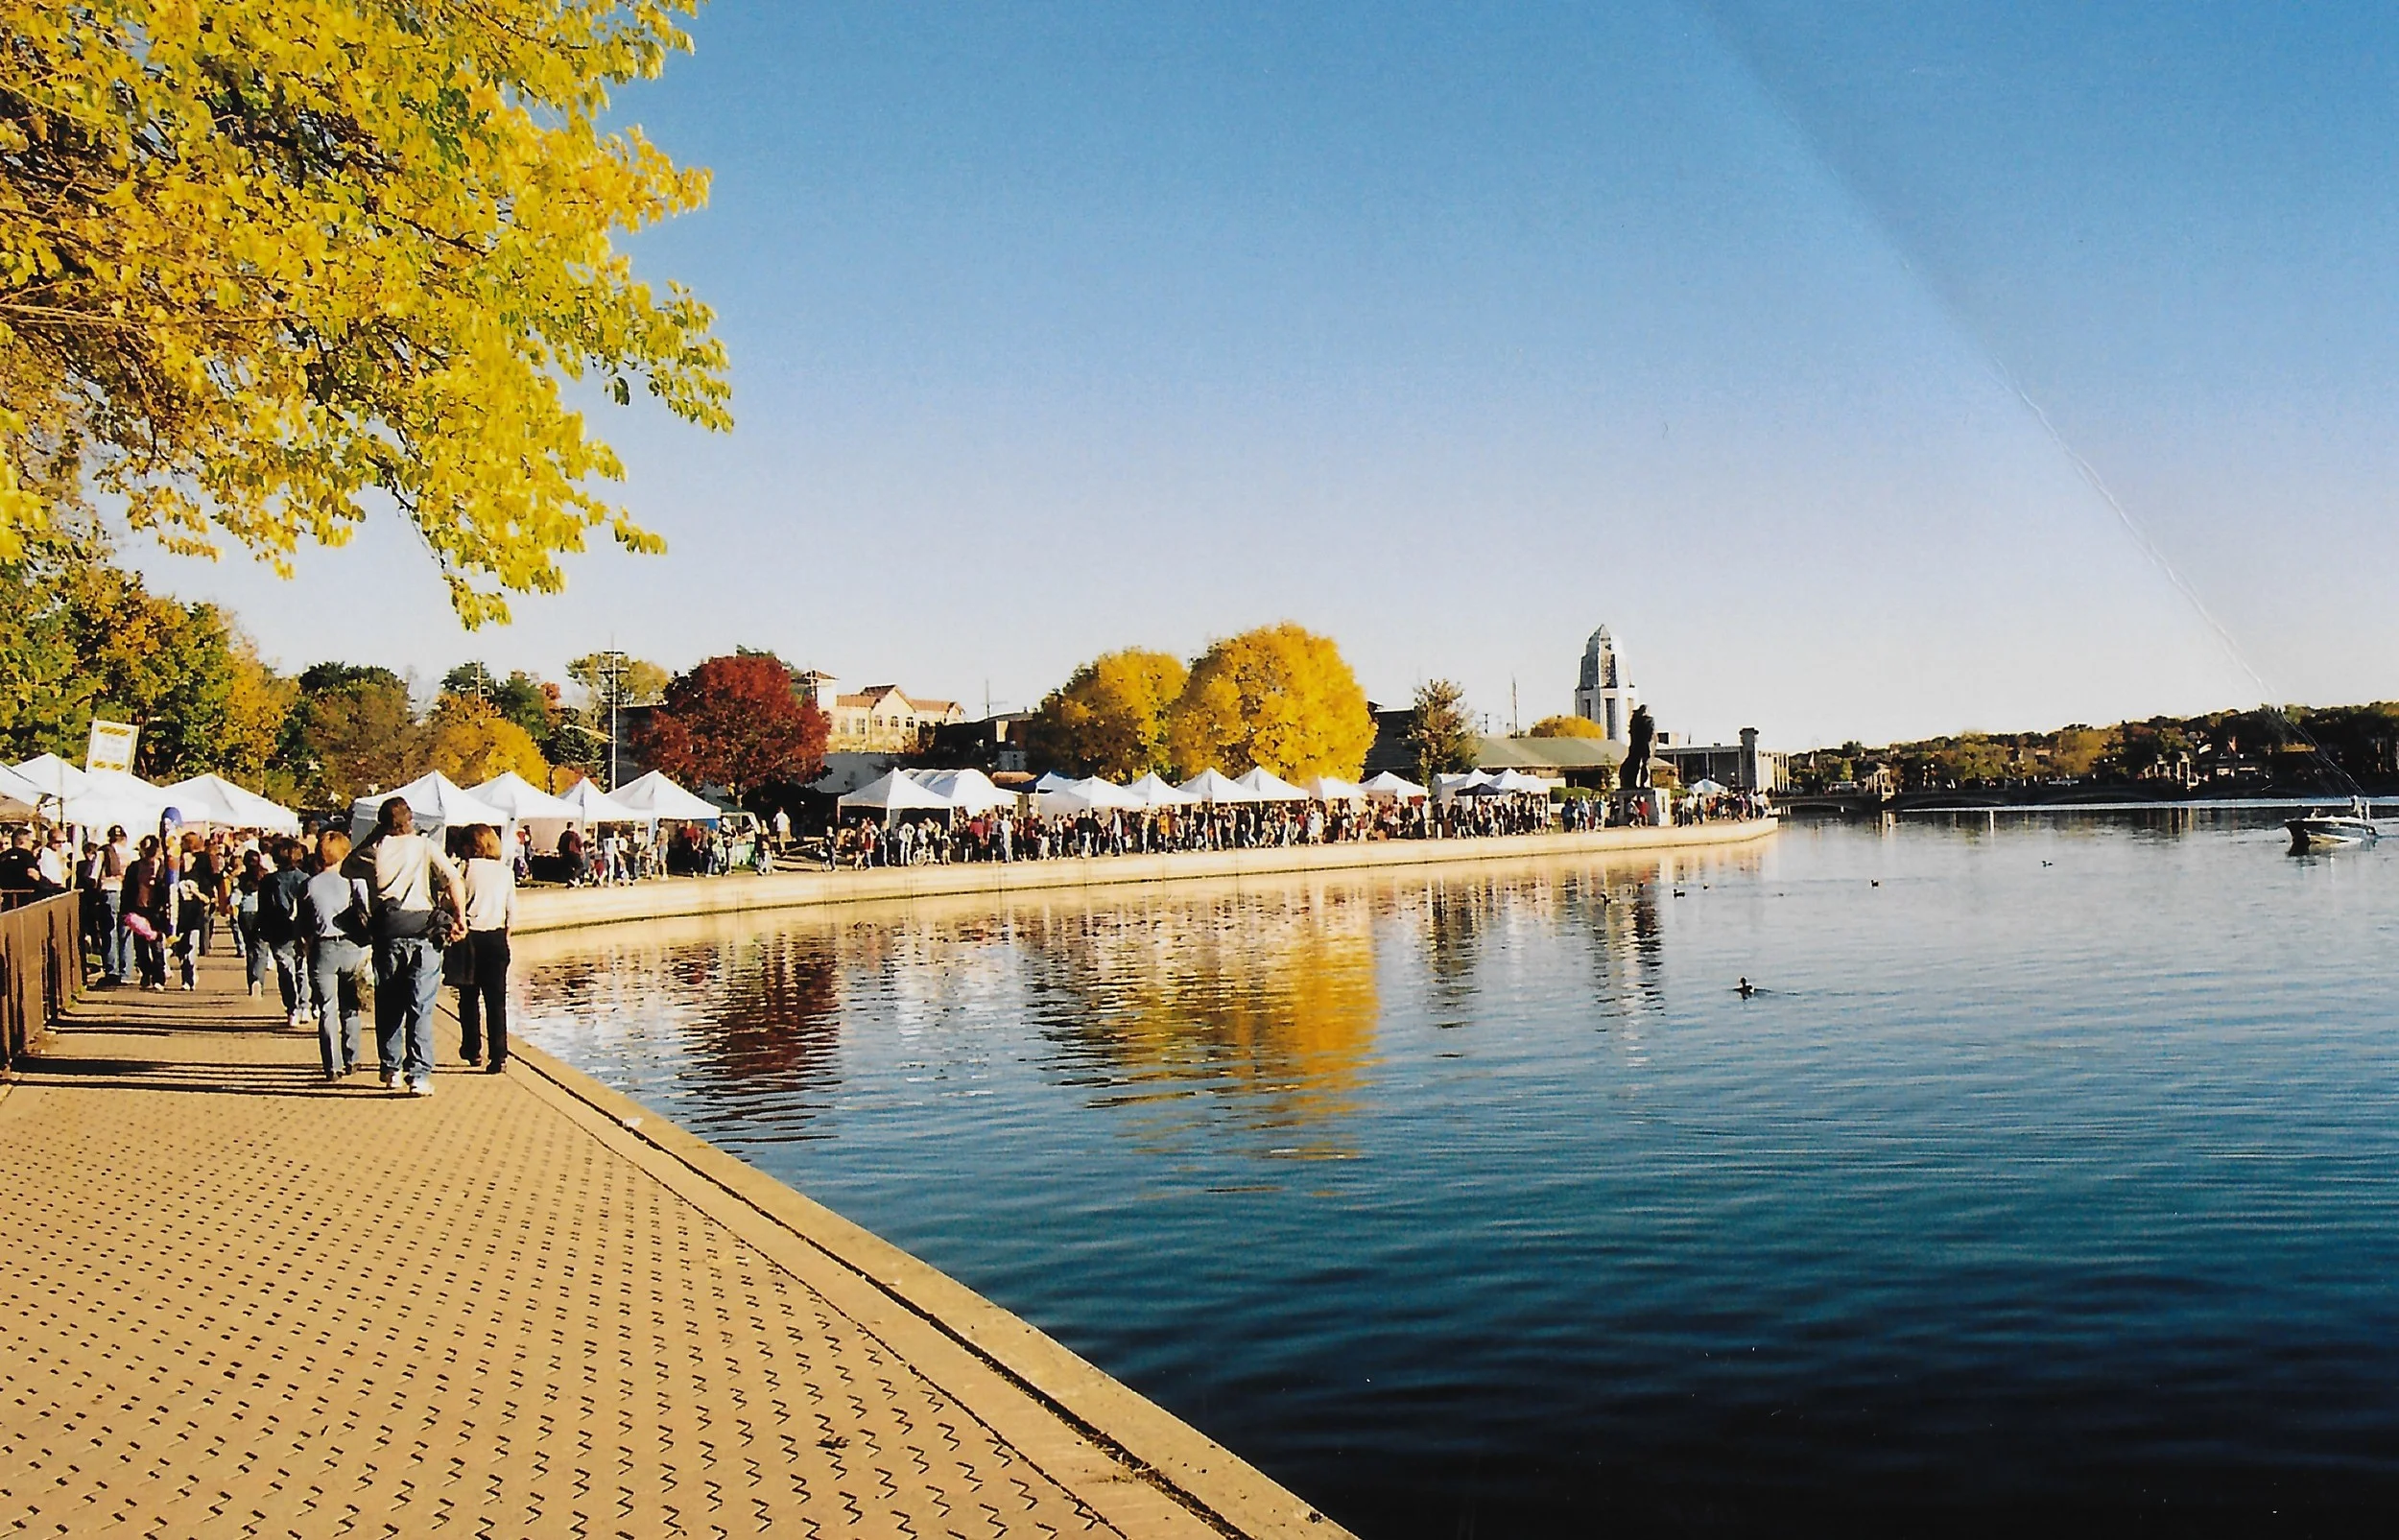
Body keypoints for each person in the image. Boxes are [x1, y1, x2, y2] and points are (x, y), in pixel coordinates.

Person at [344, 798, 463, 1097]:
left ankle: (391, 1067)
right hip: (423, 930)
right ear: (410, 819)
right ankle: (419, 1074)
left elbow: (347, 868)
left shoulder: (375, 849)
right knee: (420, 1005)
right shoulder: (425, 846)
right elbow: (452, 878)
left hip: (388, 931)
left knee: (389, 1001)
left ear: (381, 822)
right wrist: (460, 916)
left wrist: (374, 836)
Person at [300, 829, 372, 1081]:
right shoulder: (355, 883)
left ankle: (333, 1065)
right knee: (351, 1006)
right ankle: (353, 1057)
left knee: (328, 1008)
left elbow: (304, 923)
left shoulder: (309, 885)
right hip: (353, 947)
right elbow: (366, 916)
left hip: (323, 948)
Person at [454, 825, 516, 1072]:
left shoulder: (464, 869)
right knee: (496, 1001)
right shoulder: (505, 872)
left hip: (470, 937)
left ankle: (472, 1048)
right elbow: (512, 910)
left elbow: (451, 900)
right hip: (496, 936)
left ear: (472, 845)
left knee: (468, 998)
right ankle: (499, 1055)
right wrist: (505, 933)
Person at [256, 839, 313, 1025]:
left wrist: (260, 930)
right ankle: (305, 1006)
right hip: (302, 929)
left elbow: (263, 909)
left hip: (277, 930)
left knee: (285, 969)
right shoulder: (306, 879)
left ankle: (292, 1009)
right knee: (302, 969)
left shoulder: (268, 881)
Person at [120, 835, 172, 990]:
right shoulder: (134, 867)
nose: (149, 852)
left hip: (157, 910)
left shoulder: (165, 867)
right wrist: (125, 911)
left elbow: (170, 888)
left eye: (152, 849)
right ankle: (146, 973)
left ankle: (159, 976)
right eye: (146, 849)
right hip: (138, 909)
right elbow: (127, 889)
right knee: (140, 946)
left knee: (157, 945)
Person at [96, 825, 133, 983]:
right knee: (126, 932)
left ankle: (113, 971)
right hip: (128, 892)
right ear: (124, 838)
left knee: (110, 932)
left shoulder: (103, 852)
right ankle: (127, 972)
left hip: (109, 891)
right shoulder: (131, 853)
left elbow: (93, 874)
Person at [234, 848, 273, 997]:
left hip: (245, 913)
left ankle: (252, 981)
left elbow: (234, 898)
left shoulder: (241, 878)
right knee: (262, 949)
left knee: (250, 949)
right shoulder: (266, 876)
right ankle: (258, 980)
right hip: (262, 912)